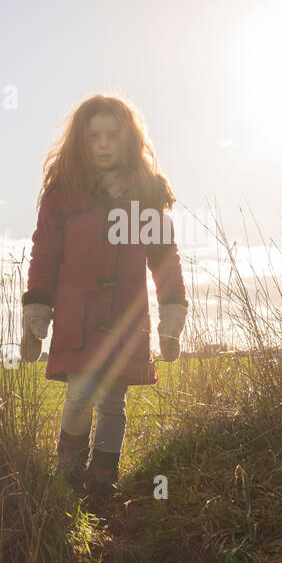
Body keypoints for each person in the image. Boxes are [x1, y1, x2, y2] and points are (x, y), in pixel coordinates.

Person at [20, 94, 188, 497]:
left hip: (127, 316)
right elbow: (45, 253)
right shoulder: (62, 194)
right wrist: (36, 315)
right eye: (95, 136)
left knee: (113, 402)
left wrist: (171, 315)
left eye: (113, 135)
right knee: (80, 394)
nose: (104, 144)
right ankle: (69, 471)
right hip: (78, 317)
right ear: (82, 140)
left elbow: (164, 257)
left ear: (128, 138)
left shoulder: (145, 194)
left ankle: (103, 480)